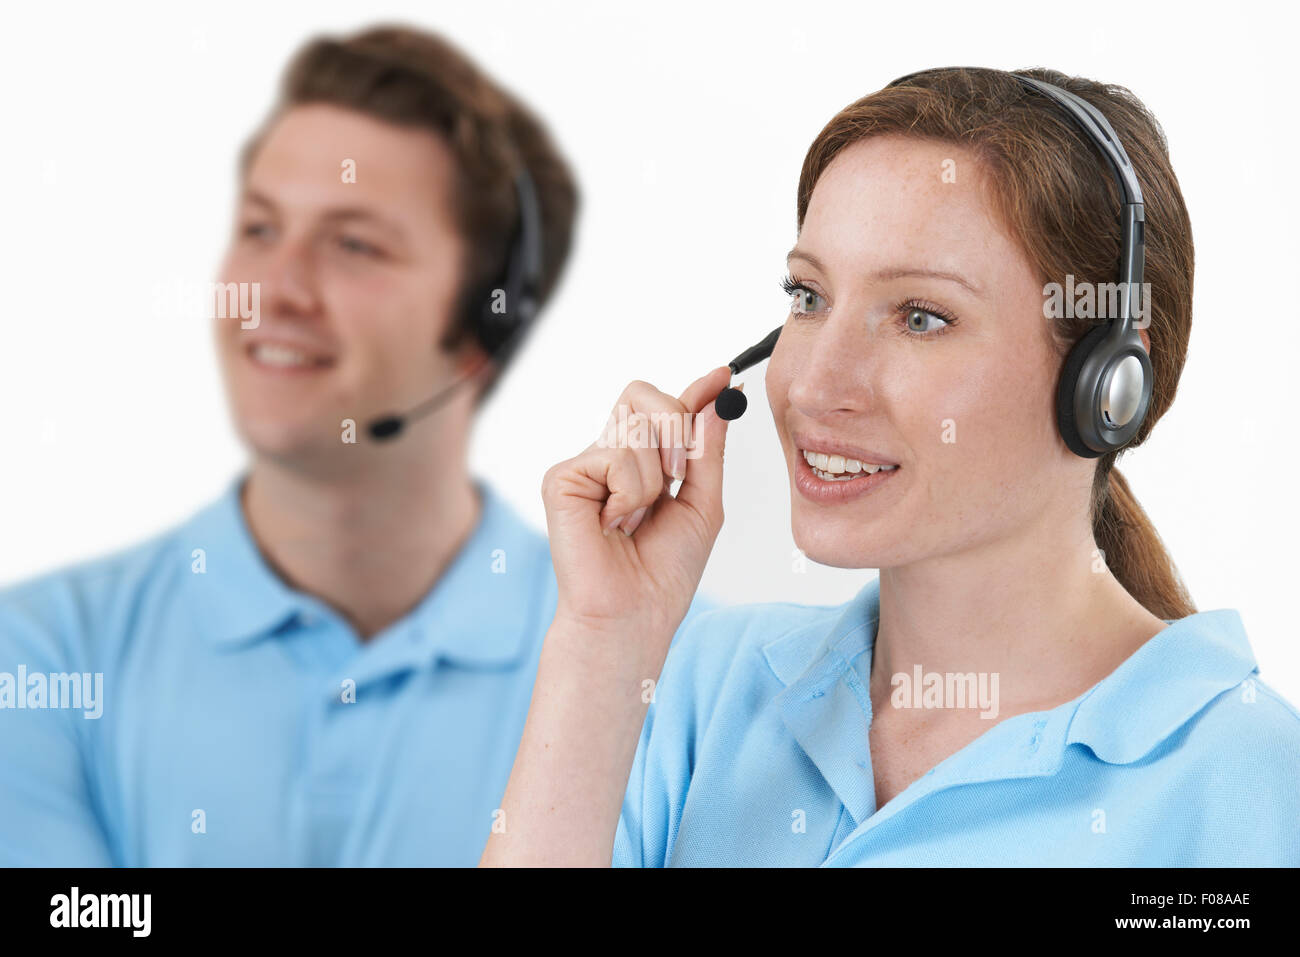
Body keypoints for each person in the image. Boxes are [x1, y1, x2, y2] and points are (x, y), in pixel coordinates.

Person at [482, 66, 1300, 867]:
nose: (812, 385)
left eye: (921, 316)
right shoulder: (699, 683)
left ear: (1106, 385)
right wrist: (603, 643)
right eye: (808, 296)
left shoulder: (1249, 781)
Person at [0, 24, 714, 867]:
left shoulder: (653, 659)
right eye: (260, 229)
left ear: (483, 327)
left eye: (352, 244)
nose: (275, 289)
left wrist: (602, 653)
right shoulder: (42, 654)